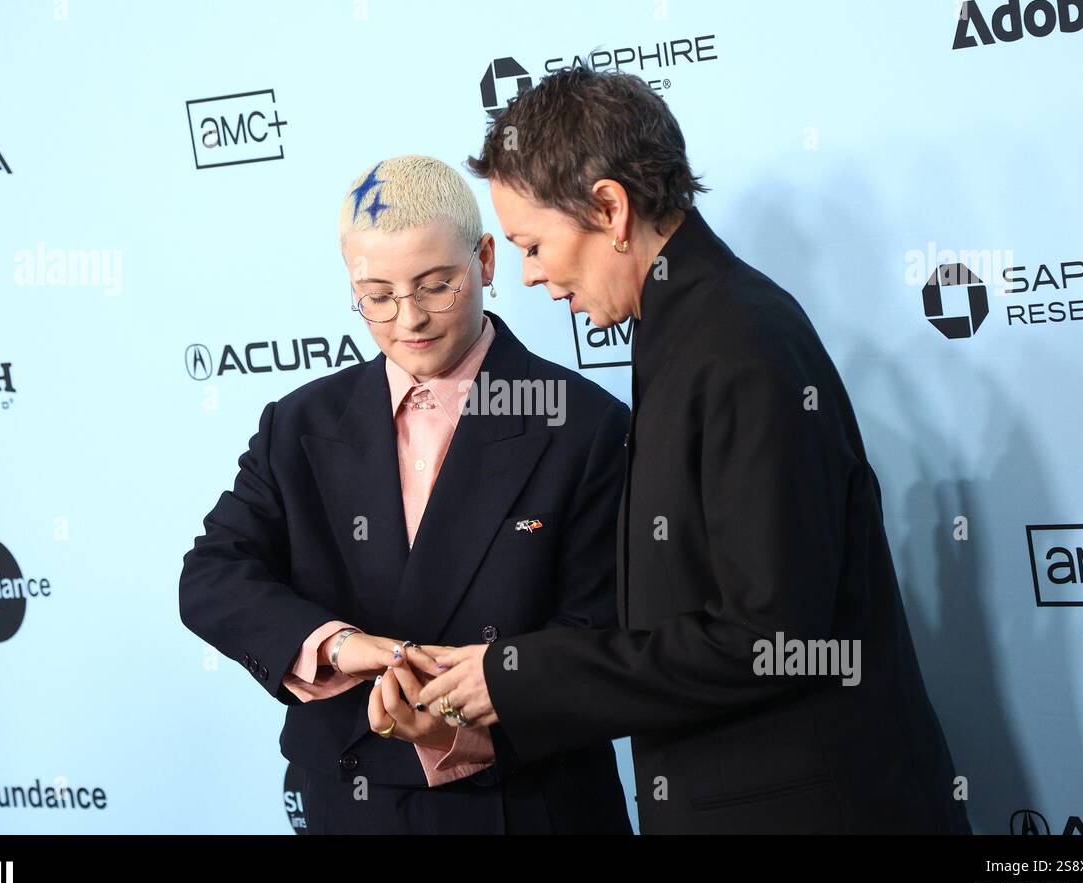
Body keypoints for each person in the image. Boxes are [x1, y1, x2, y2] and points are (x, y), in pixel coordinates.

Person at [410, 69, 973, 834]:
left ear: (610, 209)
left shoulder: (739, 344)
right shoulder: (685, 330)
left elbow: (769, 639)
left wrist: (522, 675)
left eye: (533, 244)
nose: (532, 276)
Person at [179, 154, 631, 834]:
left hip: (531, 803)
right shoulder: (298, 424)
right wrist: (336, 645)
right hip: (348, 803)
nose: (409, 319)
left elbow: (606, 628)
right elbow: (213, 575)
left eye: (435, 286)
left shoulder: (587, 424)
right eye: (378, 296)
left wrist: (468, 707)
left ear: (484, 260)